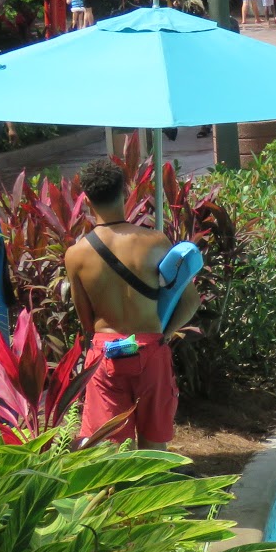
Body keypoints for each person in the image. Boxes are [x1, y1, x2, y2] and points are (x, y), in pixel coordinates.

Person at [63, 157, 201, 450]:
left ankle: (114, 495)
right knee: (154, 447)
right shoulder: (156, 241)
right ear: (126, 192)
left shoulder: (76, 255)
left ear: (86, 200)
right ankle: (153, 493)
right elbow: (190, 301)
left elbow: (86, 321)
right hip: (150, 348)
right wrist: (165, 333)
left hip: (108, 350)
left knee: (108, 448)